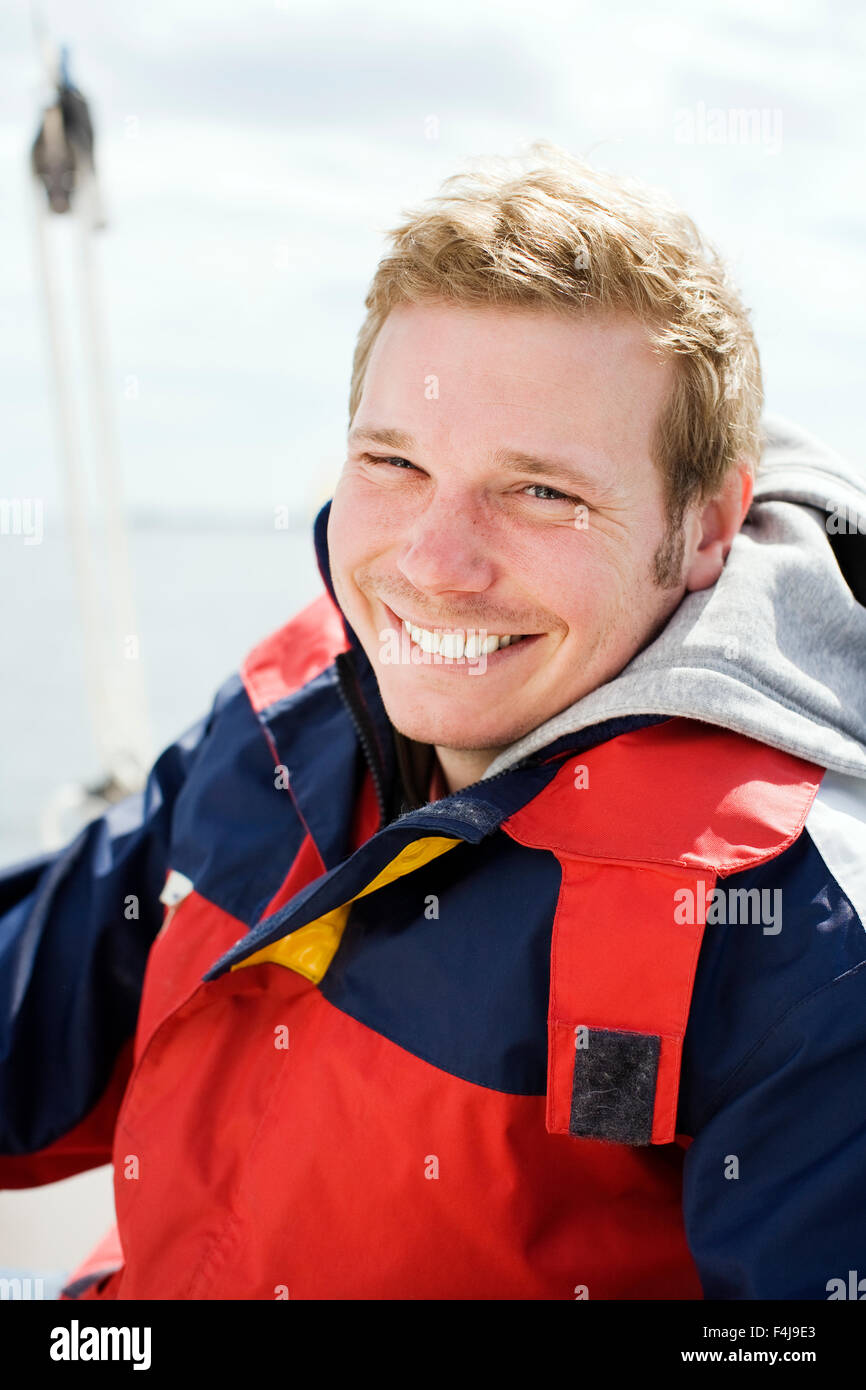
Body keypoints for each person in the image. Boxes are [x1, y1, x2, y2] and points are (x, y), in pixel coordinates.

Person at [2, 142, 865, 1301]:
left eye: (541, 491)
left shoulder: (800, 932)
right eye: (394, 462)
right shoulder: (289, 718)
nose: (432, 566)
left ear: (705, 527)